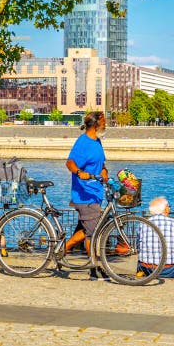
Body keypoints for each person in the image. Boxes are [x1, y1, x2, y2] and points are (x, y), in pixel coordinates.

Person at [64, 111, 109, 279]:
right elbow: (70, 162)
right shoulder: (82, 142)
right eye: (104, 122)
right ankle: (94, 267)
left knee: (86, 230)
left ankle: (61, 250)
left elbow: (101, 162)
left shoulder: (97, 141)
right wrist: (78, 172)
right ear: (96, 124)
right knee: (92, 232)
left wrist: (104, 171)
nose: (106, 125)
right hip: (84, 195)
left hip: (96, 192)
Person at [138, 197, 174, 278]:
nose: (169, 208)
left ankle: (141, 278)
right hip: (169, 269)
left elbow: (138, 246)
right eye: (169, 206)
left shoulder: (143, 223)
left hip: (147, 268)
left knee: (140, 261)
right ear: (165, 209)